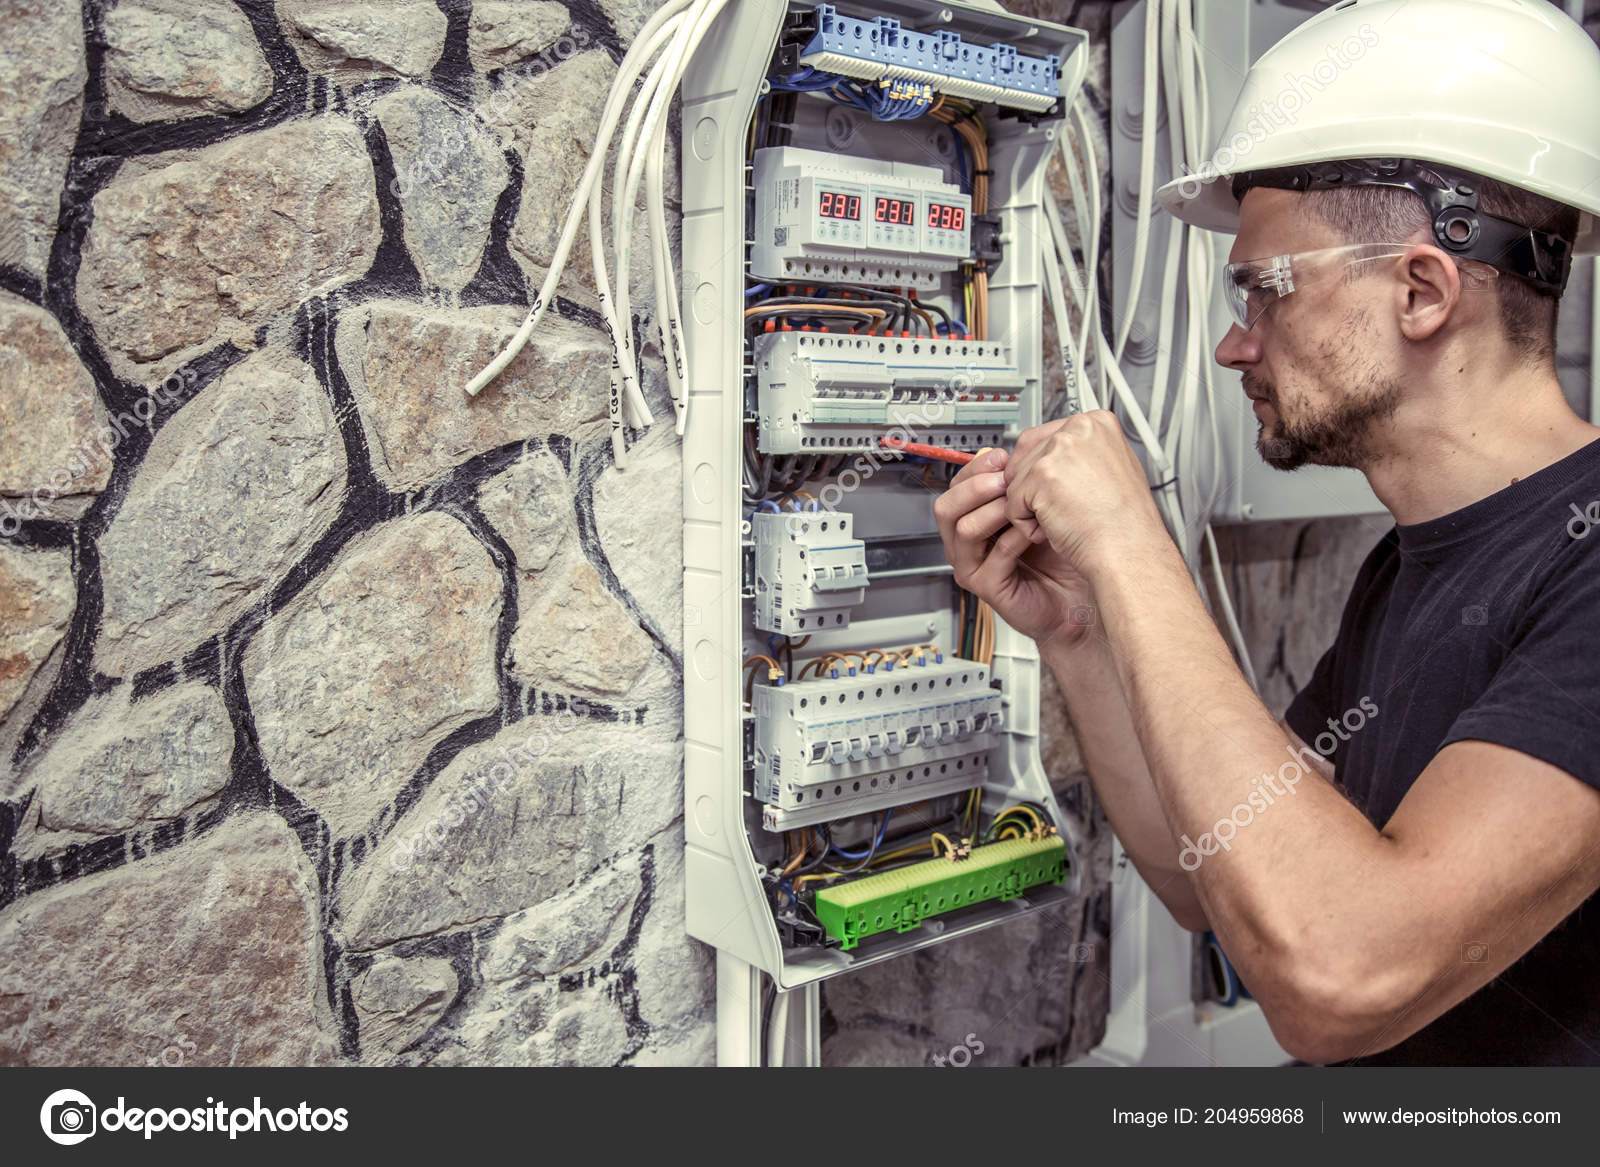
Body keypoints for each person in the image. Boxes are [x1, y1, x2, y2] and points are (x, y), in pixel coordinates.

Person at [935, 0, 1600, 1065]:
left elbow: (1341, 973)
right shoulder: (1409, 563)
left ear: (1422, 289)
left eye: (1262, 292)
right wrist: (1081, 628)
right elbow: (1215, 875)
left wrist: (1134, 546)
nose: (1233, 348)